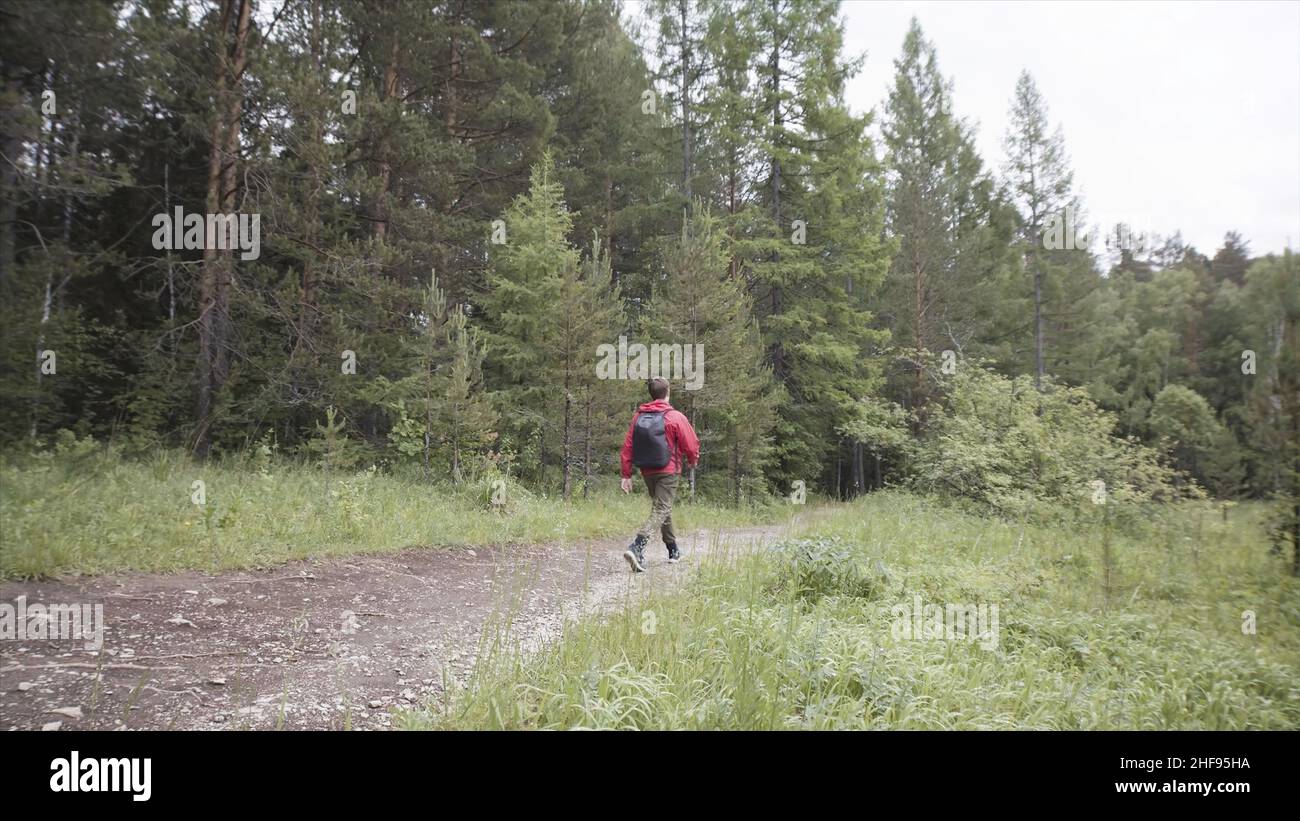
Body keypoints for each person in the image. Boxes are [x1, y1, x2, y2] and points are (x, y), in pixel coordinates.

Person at [619, 377, 700, 572]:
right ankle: (637, 546)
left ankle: (673, 550)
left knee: (663, 508)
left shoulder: (638, 417)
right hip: (668, 470)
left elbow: (628, 446)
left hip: (647, 470)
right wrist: (693, 460)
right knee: (661, 509)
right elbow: (691, 443)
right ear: (668, 392)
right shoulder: (675, 417)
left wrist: (626, 474)